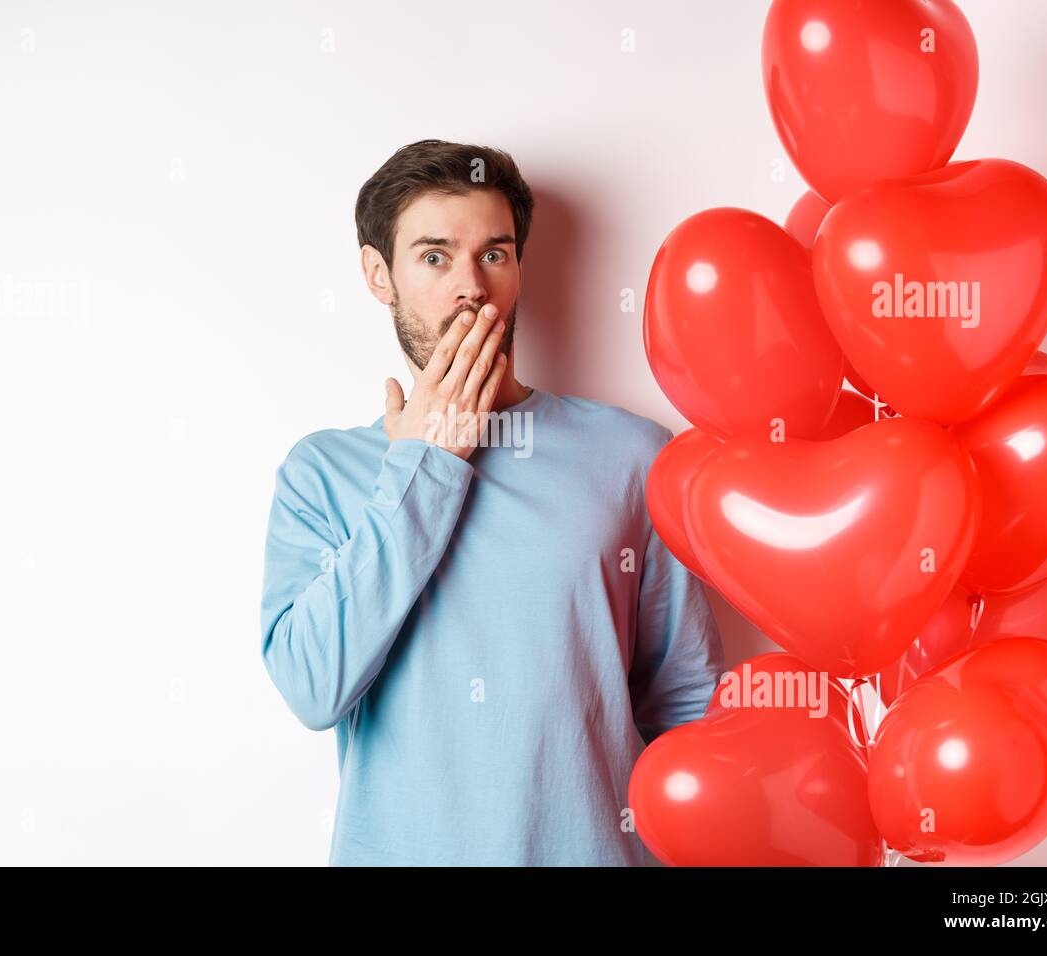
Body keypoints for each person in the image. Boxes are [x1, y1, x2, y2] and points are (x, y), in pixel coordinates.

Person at [260, 139, 725, 865]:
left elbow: (688, 707)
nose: (469, 286)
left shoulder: (633, 457)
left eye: (494, 254)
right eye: (435, 257)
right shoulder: (322, 473)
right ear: (378, 275)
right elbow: (314, 687)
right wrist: (428, 462)